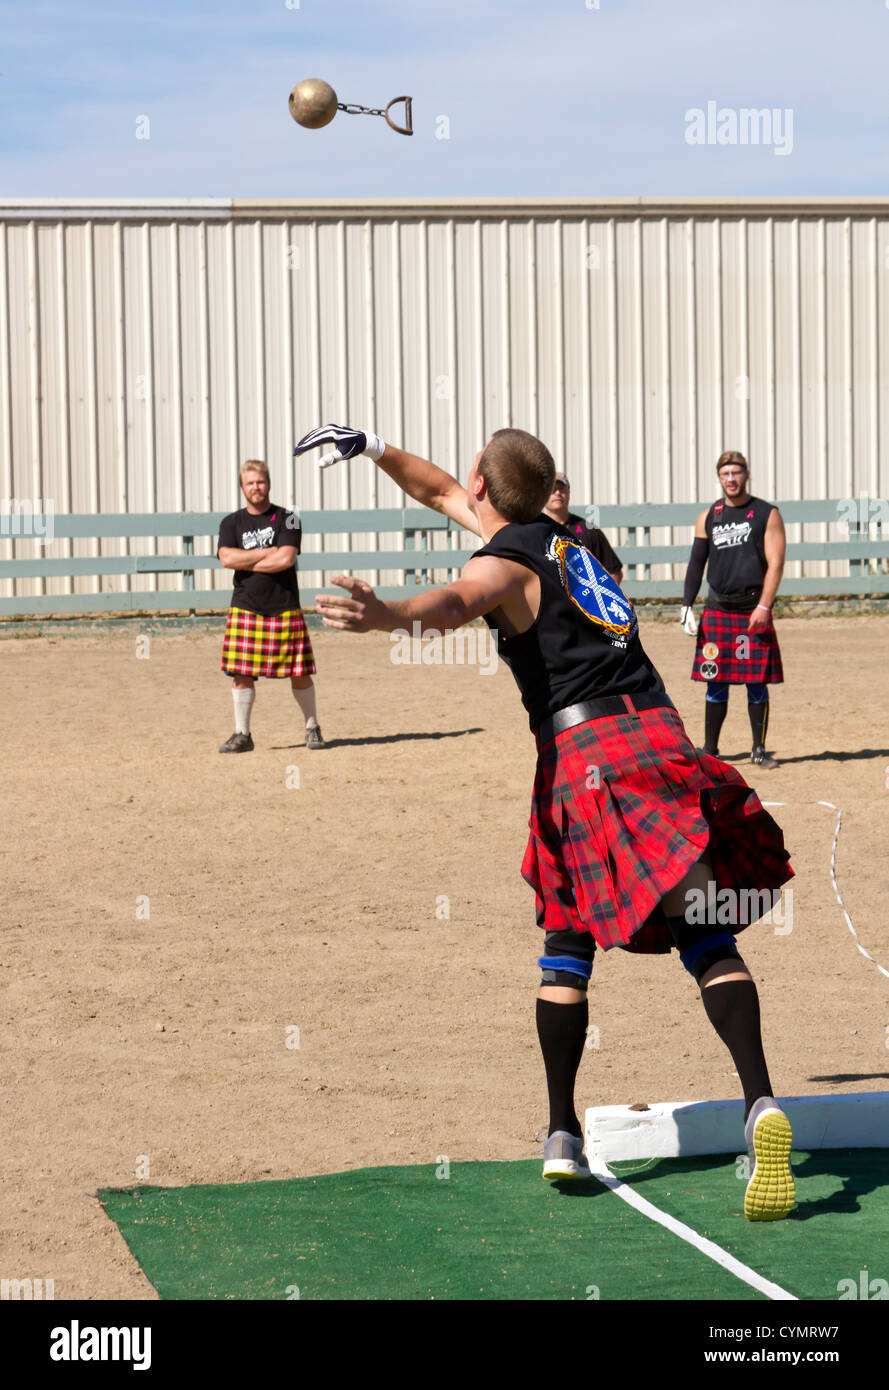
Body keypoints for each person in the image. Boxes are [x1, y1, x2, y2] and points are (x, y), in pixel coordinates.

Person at [294, 423, 796, 1221]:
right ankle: (760, 1102)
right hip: (658, 733)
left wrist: (387, 616)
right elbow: (436, 489)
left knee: (566, 939)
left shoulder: (504, 561)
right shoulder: (568, 540)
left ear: (482, 485)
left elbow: (456, 601)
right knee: (704, 929)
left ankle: (561, 1131)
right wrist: (374, 446)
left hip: (585, 752)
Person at [680, 452, 786, 770]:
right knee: (715, 681)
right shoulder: (708, 516)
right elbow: (696, 564)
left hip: (753, 611)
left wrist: (764, 605)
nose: (731, 479)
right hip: (718, 611)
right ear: (719, 477)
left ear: (746, 475)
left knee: (756, 682)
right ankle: (710, 749)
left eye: (736, 473)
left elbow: (776, 564)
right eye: (725, 473)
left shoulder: (766, 513)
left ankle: (759, 750)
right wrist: (686, 605)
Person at [216, 460, 324, 752]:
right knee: (240, 672)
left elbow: (286, 559)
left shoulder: (288, 519)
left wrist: (246, 559)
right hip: (246, 606)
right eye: (250, 483)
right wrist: (267, 552)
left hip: (284, 605)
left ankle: (312, 727)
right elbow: (226, 558)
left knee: (299, 672)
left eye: (260, 482)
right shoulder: (231, 523)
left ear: (269, 483)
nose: (256, 487)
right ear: (242, 487)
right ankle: (242, 734)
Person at [543, 473, 623, 585]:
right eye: (552, 489)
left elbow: (614, 572)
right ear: (543, 494)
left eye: (561, 489)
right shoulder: (534, 531)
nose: (557, 493)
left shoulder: (588, 530)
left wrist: (601, 594)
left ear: (569, 493)